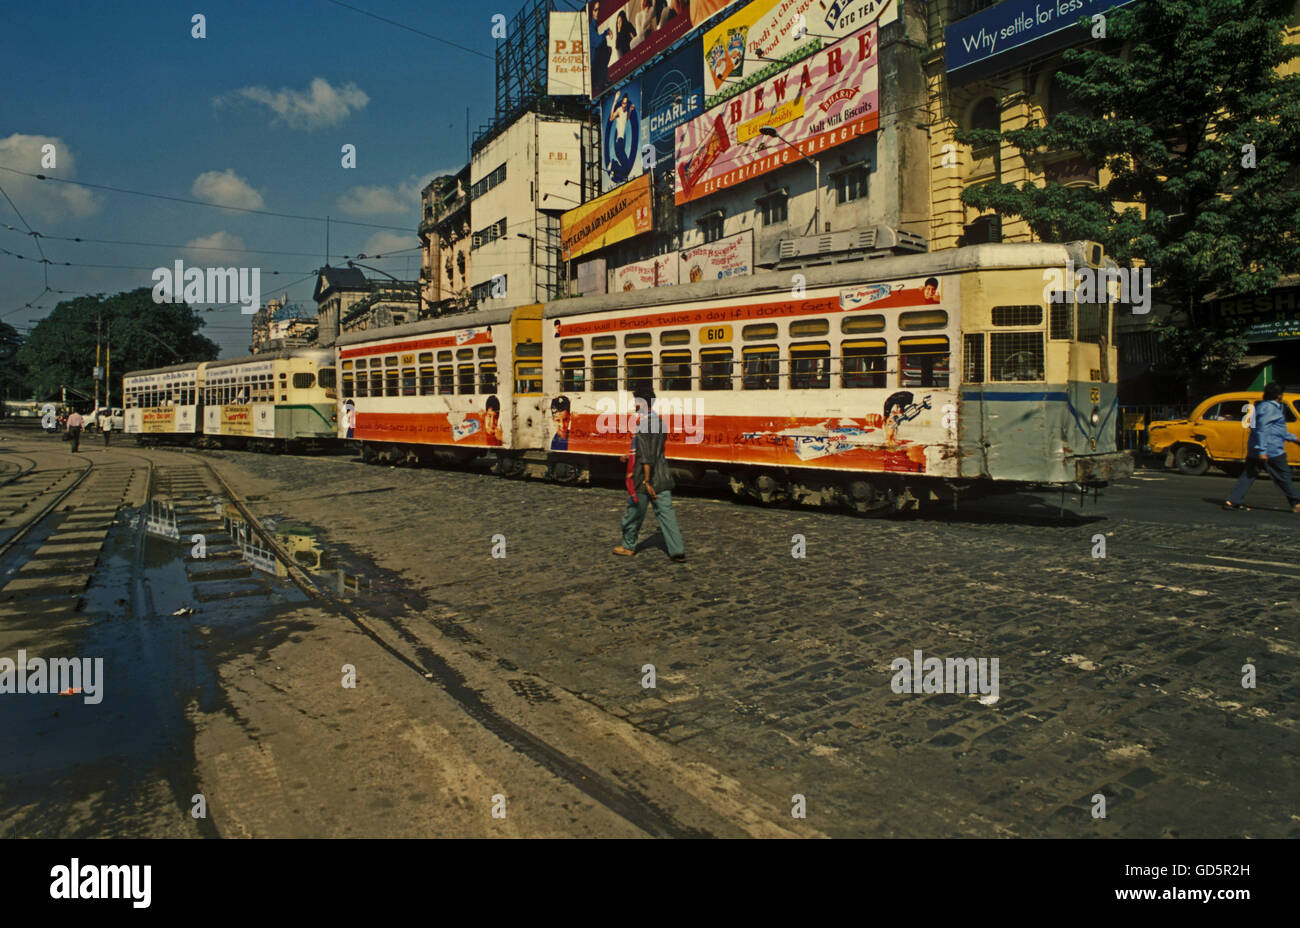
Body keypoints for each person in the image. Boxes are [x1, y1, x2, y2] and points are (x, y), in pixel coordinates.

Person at [614, 385, 685, 561]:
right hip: (662, 474)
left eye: (636, 402)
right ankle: (677, 551)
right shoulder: (660, 422)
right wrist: (628, 455)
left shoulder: (644, 425)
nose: (633, 405)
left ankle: (628, 546)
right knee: (667, 514)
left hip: (644, 476)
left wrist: (646, 481)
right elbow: (654, 450)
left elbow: (646, 456)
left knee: (634, 513)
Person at [1223, 382, 1300, 512]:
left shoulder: (1262, 407)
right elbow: (1263, 430)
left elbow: (1275, 429)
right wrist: (1263, 450)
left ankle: (1233, 501)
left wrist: (1294, 438)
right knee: (1283, 475)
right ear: (1279, 395)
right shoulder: (1270, 409)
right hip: (1271, 450)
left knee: (1249, 475)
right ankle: (1296, 502)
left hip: (1257, 448)